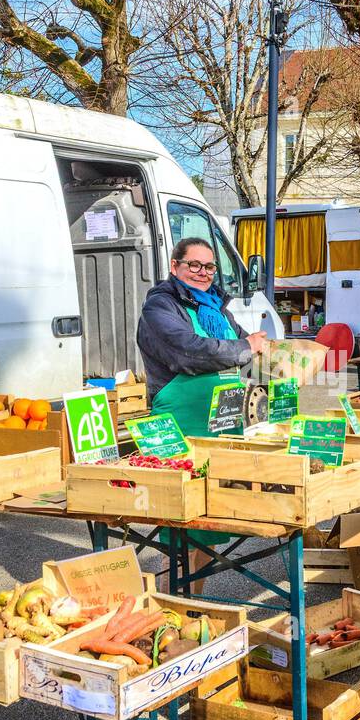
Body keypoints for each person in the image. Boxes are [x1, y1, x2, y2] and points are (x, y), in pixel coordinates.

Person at [137, 237, 267, 582]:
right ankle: (170, 605)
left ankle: (197, 607)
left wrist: (270, 352)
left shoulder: (215, 309)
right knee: (179, 526)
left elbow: (246, 346)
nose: (202, 273)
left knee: (206, 531)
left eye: (209, 266)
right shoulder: (160, 308)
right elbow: (188, 352)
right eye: (193, 265)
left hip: (219, 426)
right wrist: (245, 347)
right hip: (181, 425)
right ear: (174, 266)